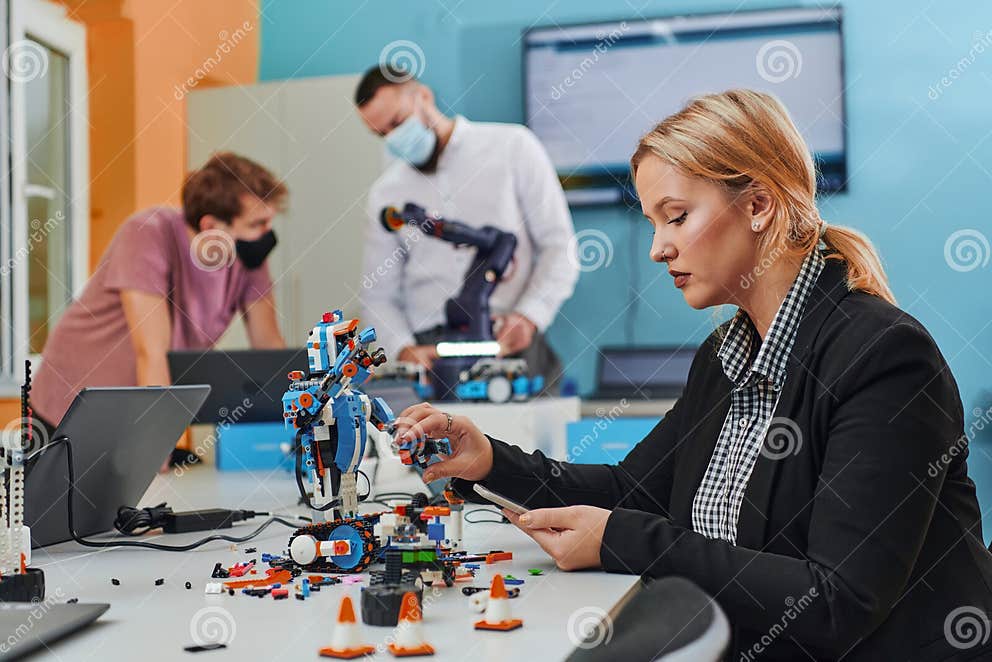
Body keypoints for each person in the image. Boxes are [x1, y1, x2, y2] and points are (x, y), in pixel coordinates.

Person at [392, 90, 992, 660]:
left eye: (675, 217)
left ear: (758, 205)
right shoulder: (726, 356)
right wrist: (490, 461)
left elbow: (837, 603)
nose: (657, 248)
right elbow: (633, 493)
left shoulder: (883, 356)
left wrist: (623, 540)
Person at [32, 152, 287, 464]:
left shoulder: (247, 258)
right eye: (257, 223)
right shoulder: (149, 233)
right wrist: (156, 448)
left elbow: (269, 346)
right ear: (211, 226)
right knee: (55, 506)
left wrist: (296, 428)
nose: (267, 233)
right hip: (70, 401)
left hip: (133, 411)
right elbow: (151, 352)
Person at [353, 63, 578, 390]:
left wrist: (530, 316)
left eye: (398, 123)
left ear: (424, 96)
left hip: (510, 340)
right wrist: (403, 348)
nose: (394, 138)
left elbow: (560, 249)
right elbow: (377, 294)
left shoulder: (513, 147)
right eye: (382, 134)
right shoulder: (386, 195)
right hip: (430, 356)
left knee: (530, 439)